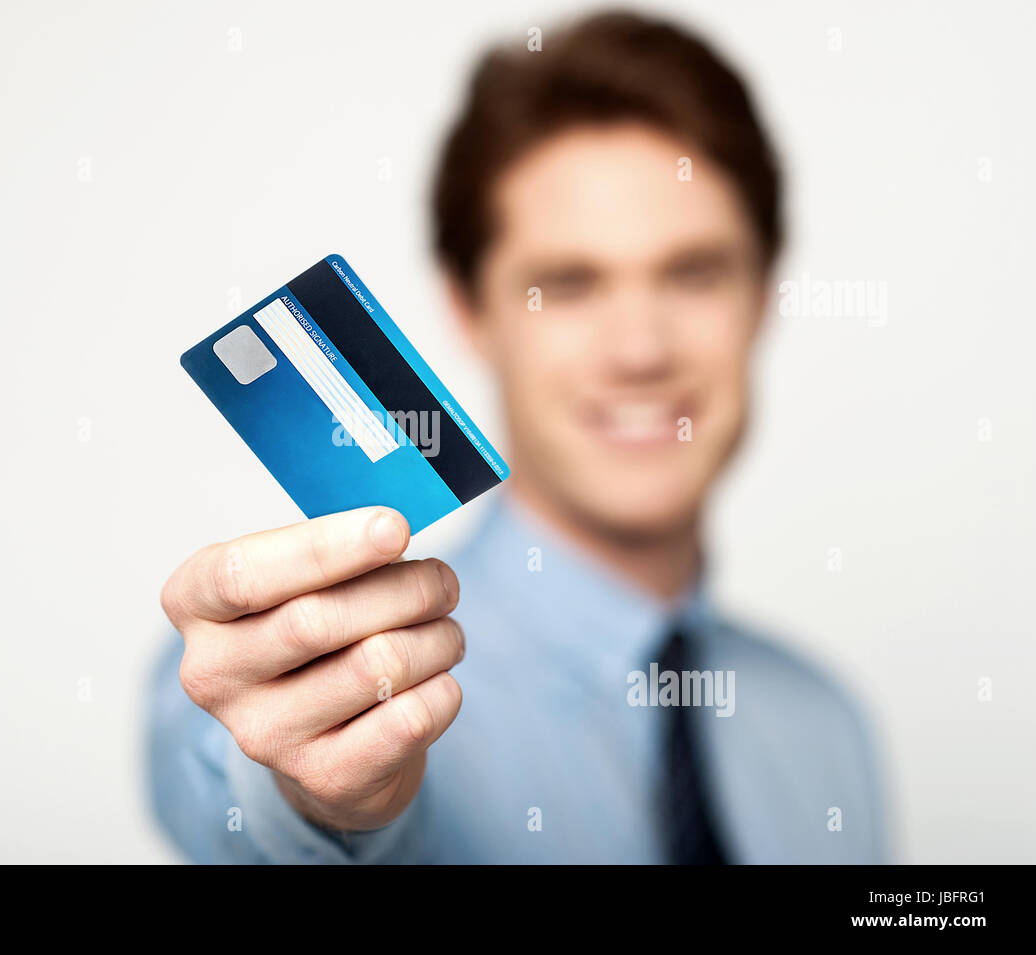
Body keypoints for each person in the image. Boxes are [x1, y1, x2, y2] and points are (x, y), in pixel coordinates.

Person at [148, 10, 886, 863]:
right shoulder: (335, 669)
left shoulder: (826, 731)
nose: (640, 349)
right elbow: (228, 784)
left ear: (761, 297)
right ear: (472, 313)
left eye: (694, 273)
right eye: (568, 285)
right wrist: (317, 791)